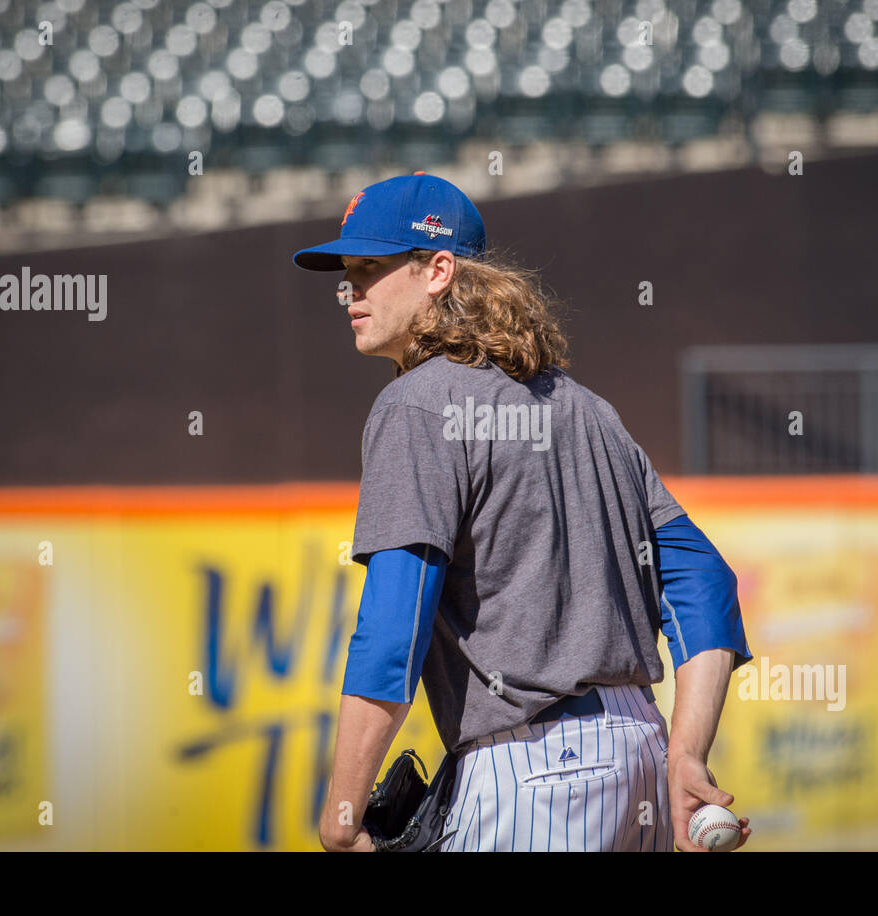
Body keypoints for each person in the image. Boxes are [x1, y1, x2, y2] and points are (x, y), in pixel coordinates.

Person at [292, 173, 753, 852]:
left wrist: (341, 810)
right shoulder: (589, 410)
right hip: (643, 762)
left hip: (535, 779)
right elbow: (705, 582)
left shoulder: (416, 406)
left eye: (371, 267)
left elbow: (395, 625)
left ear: (437, 271)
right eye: (346, 275)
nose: (352, 291)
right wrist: (687, 752)